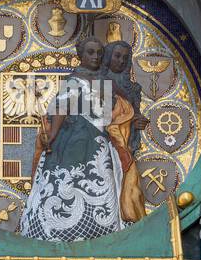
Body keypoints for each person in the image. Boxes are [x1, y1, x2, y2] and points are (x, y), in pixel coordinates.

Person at [19, 38, 125, 241]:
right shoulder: (74, 80)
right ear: (81, 55)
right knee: (69, 182)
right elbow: (61, 108)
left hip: (100, 140)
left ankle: (98, 231)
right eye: (90, 52)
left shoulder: (105, 80)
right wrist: (52, 134)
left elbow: (118, 110)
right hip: (76, 138)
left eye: (99, 53)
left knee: (103, 181)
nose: (95, 57)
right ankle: (63, 228)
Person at [100, 40, 149, 224]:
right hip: (107, 142)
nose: (120, 61)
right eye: (117, 56)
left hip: (126, 141)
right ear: (108, 58)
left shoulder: (134, 89)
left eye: (125, 58)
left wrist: (137, 121)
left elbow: (134, 113)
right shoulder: (99, 83)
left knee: (126, 182)